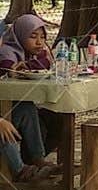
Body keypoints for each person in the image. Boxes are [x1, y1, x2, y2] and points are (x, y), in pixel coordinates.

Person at [0, 14, 61, 177]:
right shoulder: (7, 51)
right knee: (3, 129)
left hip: (6, 110)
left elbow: (43, 63)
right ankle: (21, 172)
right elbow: (9, 68)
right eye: (33, 37)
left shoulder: (27, 51)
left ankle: (37, 159)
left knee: (28, 109)